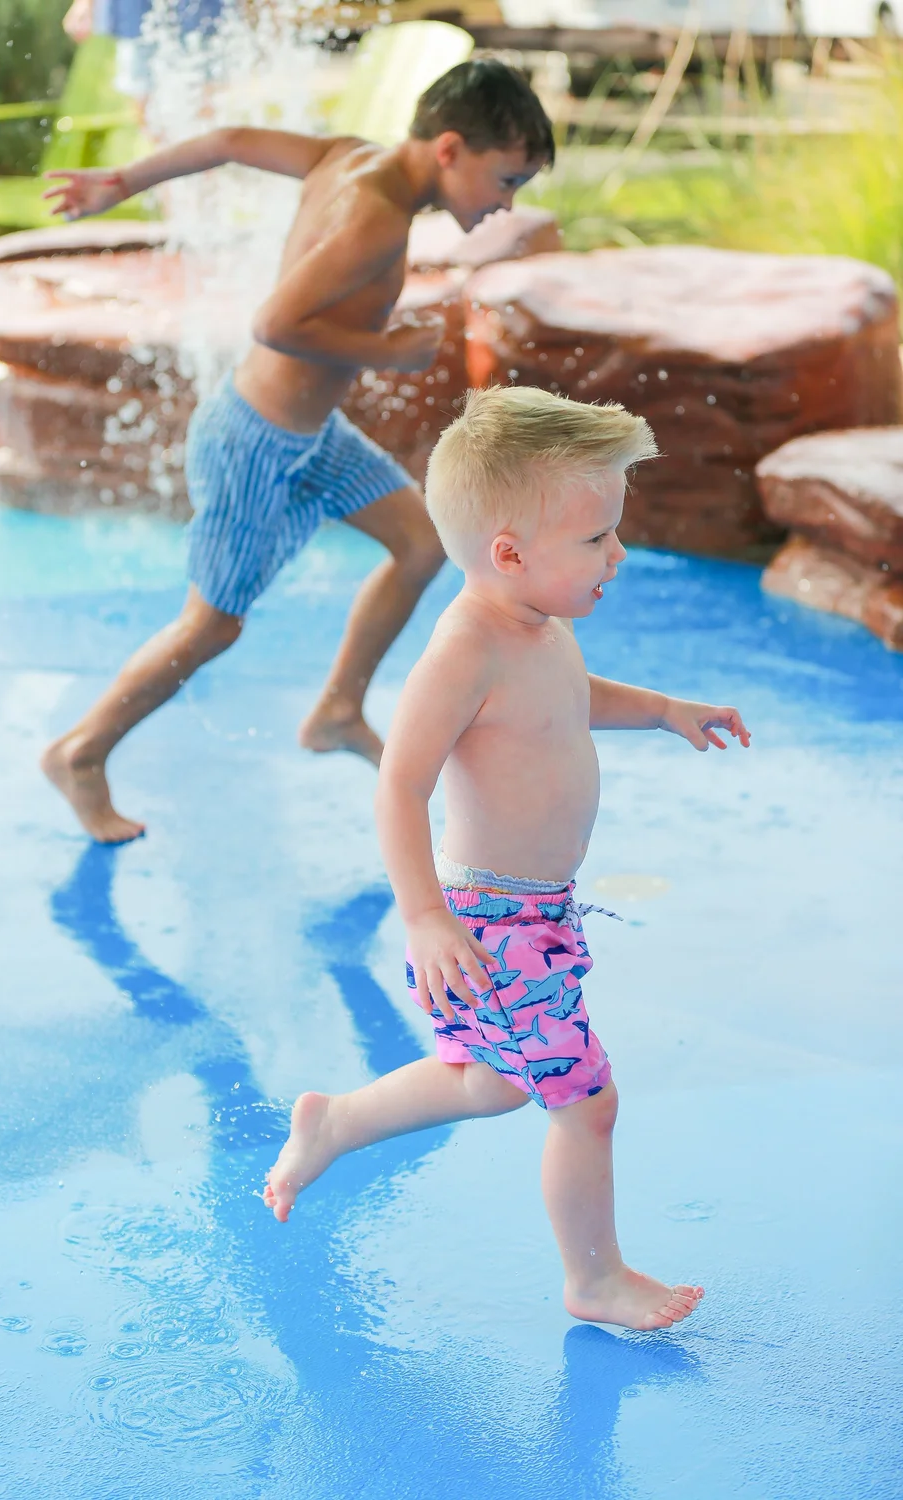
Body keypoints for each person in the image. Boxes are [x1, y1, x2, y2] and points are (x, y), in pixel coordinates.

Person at [264, 385, 752, 1331]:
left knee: (489, 1080)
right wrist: (424, 918)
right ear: (510, 553)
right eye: (597, 538)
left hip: (533, 912)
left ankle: (336, 1122)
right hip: (488, 926)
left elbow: (569, 695)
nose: (618, 553)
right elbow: (398, 786)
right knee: (586, 1103)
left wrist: (663, 709)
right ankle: (593, 1279)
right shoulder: (465, 650)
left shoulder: (537, 623)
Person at [39, 60, 555, 843]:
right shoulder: (377, 215)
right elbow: (275, 325)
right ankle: (81, 751)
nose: (506, 203)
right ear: (450, 149)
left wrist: (123, 180)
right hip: (255, 441)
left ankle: (339, 709)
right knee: (211, 627)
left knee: (422, 545)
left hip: (312, 436)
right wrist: (389, 351)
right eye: (506, 179)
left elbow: (227, 140)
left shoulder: (349, 155)